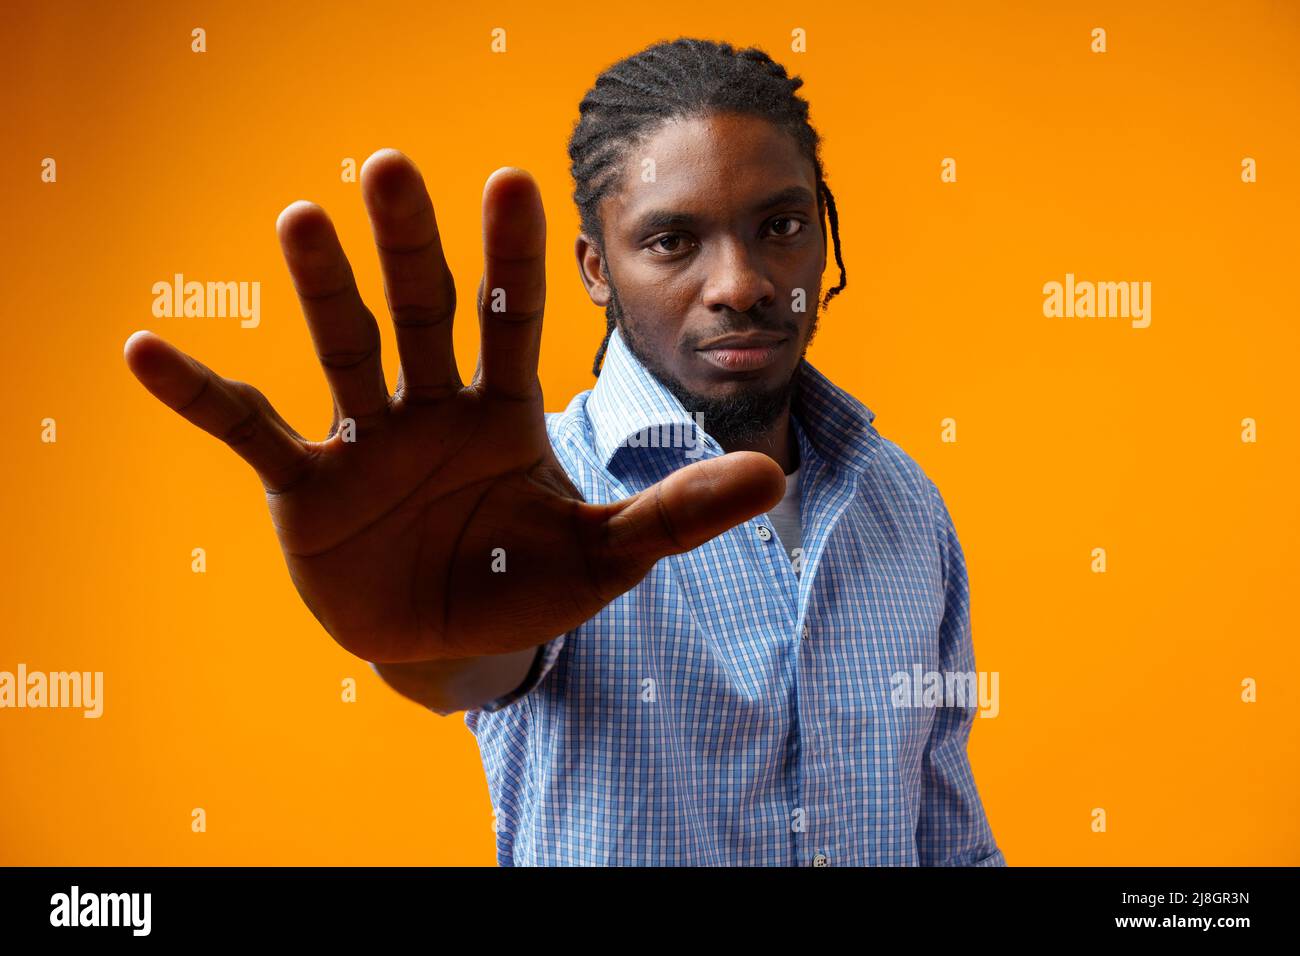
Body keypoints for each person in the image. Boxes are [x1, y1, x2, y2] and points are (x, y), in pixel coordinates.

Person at [123, 37, 1005, 867]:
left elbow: (950, 839)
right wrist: (419, 646)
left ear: (824, 235)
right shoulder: (532, 502)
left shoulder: (903, 503)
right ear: (595, 267)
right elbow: (470, 660)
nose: (741, 284)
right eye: (672, 241)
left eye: (780, 226)